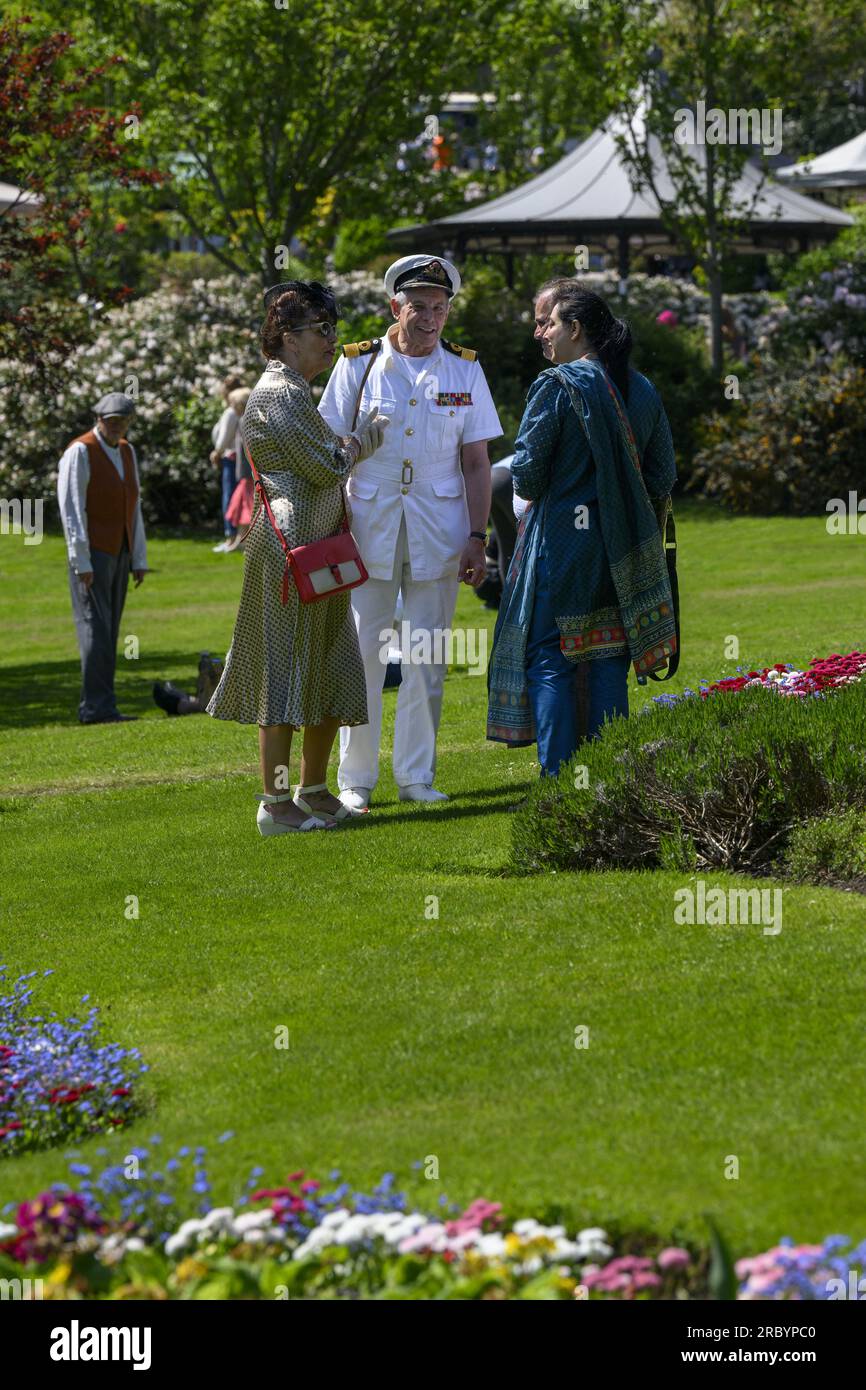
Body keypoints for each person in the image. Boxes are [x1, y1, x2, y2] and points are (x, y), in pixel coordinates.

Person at [318, 253, 503, 810]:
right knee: (364, 652)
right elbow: (328, 451)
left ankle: (416, 776)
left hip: (440, 526)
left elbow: (476, 462)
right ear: (393, 307)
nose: (429, 318)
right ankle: (355, 781)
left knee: (427, 654)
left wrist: (477, 535)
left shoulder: (465, 369)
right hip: (367, 521)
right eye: (418, 306)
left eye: (439, 307)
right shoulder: (358, 364)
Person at [206, 280, 389, 835]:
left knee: (330, 665)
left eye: (333, 328)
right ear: (287, 337)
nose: (331, 340)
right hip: (288, 551)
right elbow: (330, 466)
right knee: (283, 675)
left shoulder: (292, 390)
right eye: (321, 330)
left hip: (318, 546)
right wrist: (361, 440)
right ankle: (276, 803)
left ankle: (314, 789)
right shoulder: (277, 393)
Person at [486, 283, 677, 776]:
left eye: (548, 325)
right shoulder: (641, 388)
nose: (540, 333)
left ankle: (559, 786)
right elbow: (662, 476)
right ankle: (610, 783)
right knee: (610, 653)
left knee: (551, 657)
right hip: (624, 548)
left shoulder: (557, 386)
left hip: (562, 545)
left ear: (575, 329)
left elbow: (525, 474)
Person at [57, 392, 148, 724]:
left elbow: (133, 506)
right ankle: (95, 707)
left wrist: (138, 557)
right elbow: (72, 510)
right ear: (99, 420)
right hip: (93, 554)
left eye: (122, 421)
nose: (117, 427)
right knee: (94, 629)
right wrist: (81, 561)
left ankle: (104, 705)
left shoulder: (127, 451)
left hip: (120, 550)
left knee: (109, 630)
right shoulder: (80, 451)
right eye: (111, 421)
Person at [211, 374, 244, 552]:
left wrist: (216, 452)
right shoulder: (235, 410)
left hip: (230, 459)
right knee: (235, 498)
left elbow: (224, 438)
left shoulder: (231, 411)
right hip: (235, 459)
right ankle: (234, 535)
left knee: (230, 498)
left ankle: (231, 536)